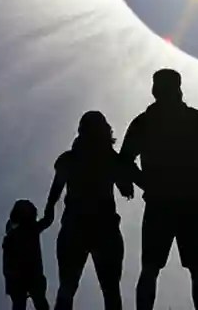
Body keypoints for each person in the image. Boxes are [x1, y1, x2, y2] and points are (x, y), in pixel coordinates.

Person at [120, 68, 198, 310]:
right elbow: (125, 160)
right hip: (173, 202)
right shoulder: (148, 122)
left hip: (186, 202)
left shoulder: (193, 120)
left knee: (189, 269)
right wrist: (140, 181)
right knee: (158, 268)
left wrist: (140, 181)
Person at [44, 111, 141, 310]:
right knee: (110, 290)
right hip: (102, 226)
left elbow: (56, 188)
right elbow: (128, 183)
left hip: (76, 226)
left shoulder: (71, 158)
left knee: (68, 288)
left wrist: (49, 212)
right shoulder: (109, 157)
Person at [2, 199, 52, 310]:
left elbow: (48, 220)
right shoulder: (23, 232)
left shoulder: (26, 230)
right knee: (34, 303)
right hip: (24, 277)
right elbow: (48, 220)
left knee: (33, 303)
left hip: (26, 277)